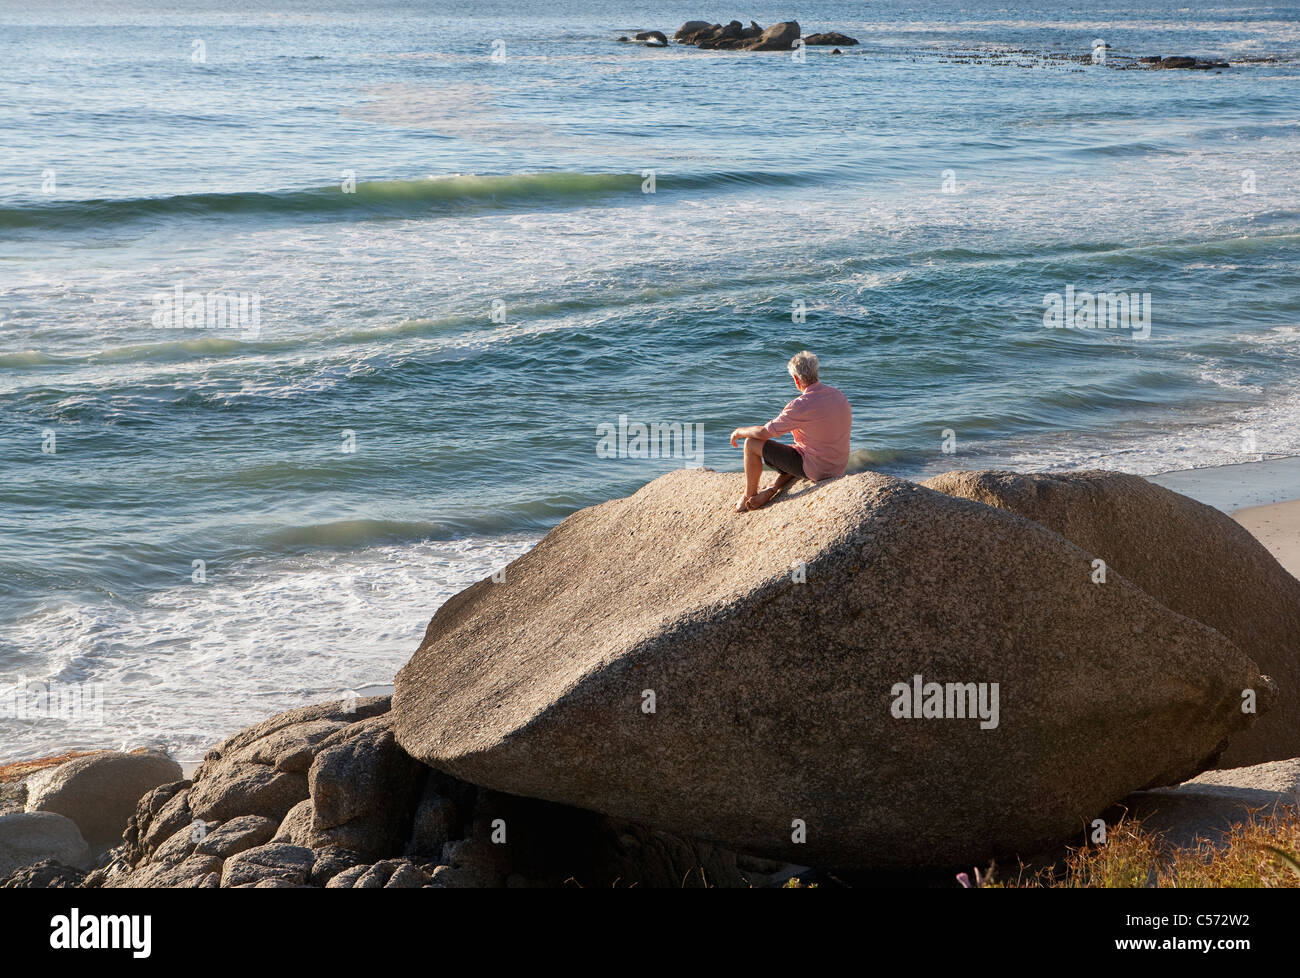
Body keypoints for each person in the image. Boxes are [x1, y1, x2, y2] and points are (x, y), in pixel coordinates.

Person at [729, 351, 852, 512]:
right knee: (795, 451)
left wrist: (739, 431)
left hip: (816, 469)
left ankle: (748, 495)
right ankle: (771, 489)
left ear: (796, 379)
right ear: (816, 372)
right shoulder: (838, 395)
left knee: (751, 443)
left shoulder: (800, 405)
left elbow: (764, 433)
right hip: (838, 466)